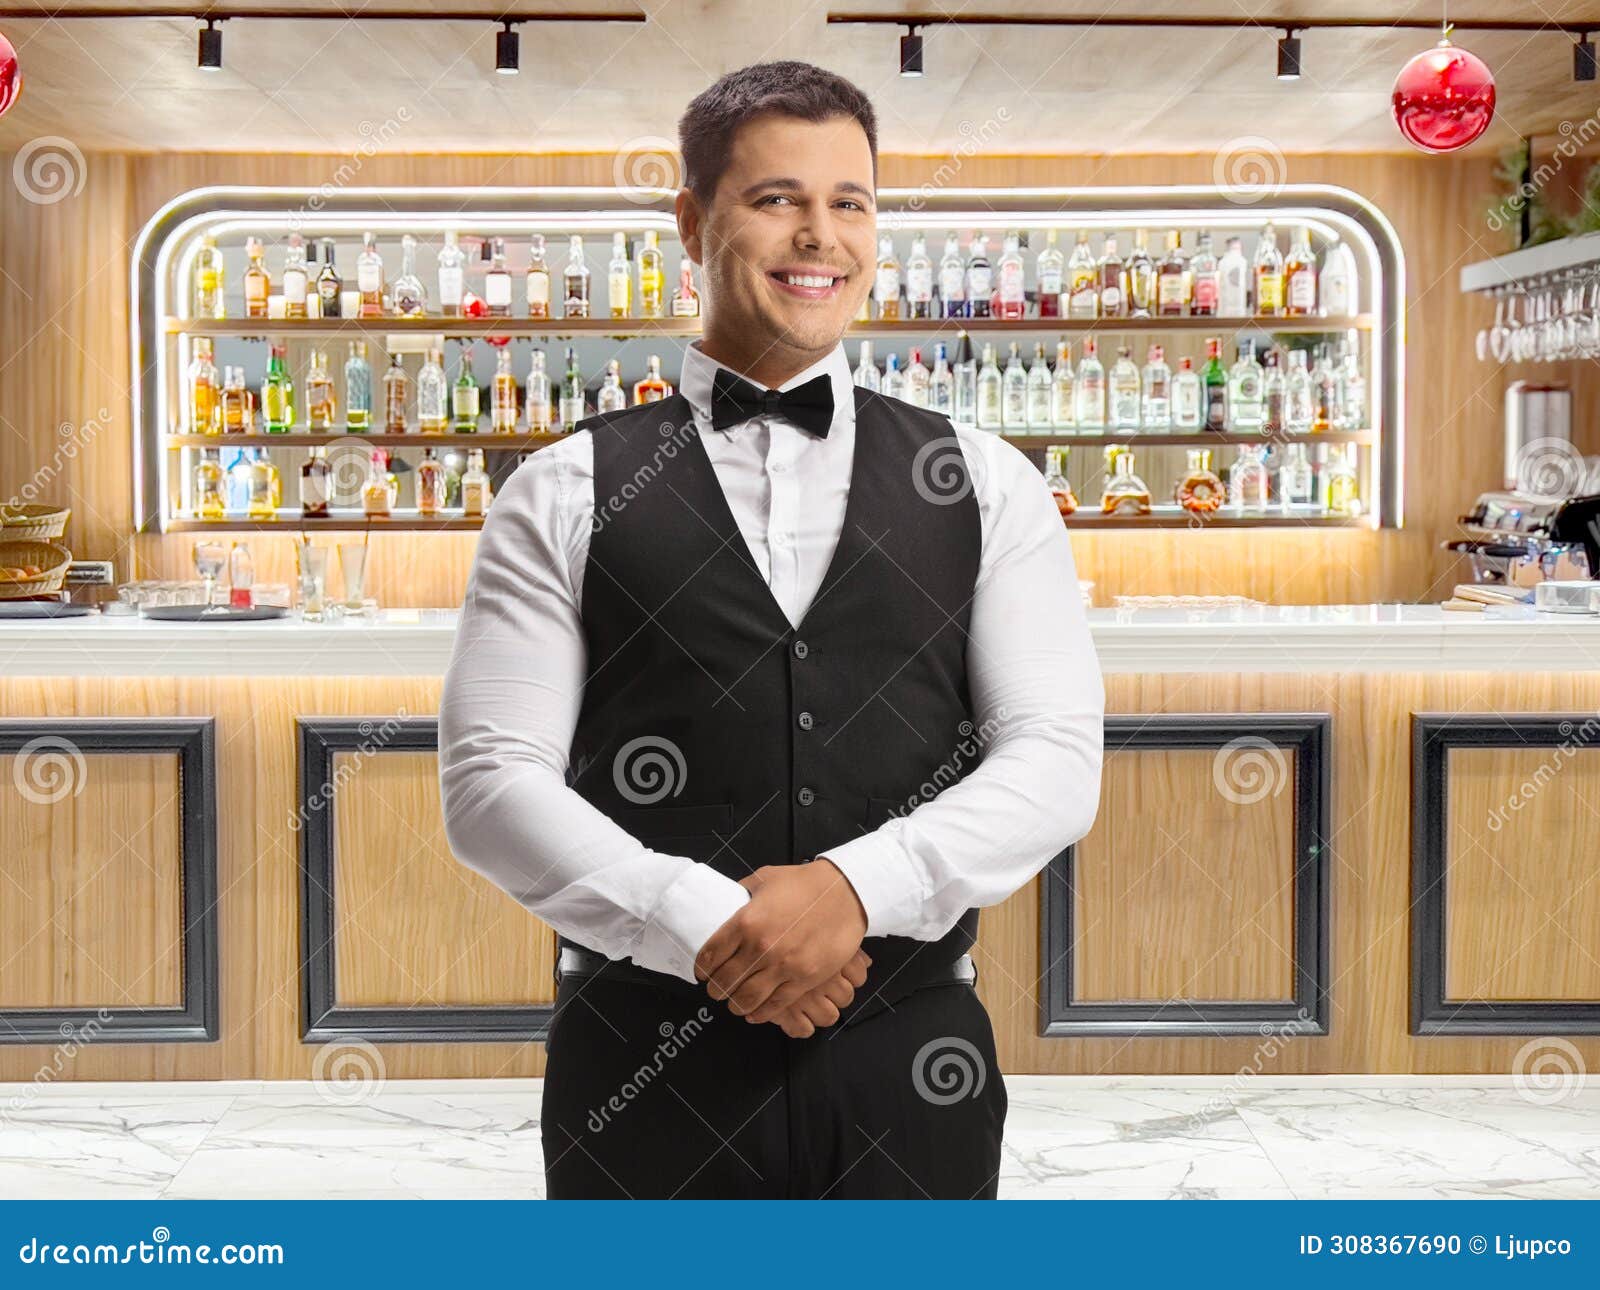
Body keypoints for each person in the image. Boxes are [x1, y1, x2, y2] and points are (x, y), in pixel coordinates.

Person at [438, 59, 1104, 1200]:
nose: (820, 236)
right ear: (691, 223)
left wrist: (855, 889)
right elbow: (490, 780)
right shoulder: (558, 487)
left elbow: (1054, 755)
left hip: (914, 1060)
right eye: (776, 198)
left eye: (851, 202)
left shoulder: (987, 480)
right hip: (641, 1061)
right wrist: (703, 921)